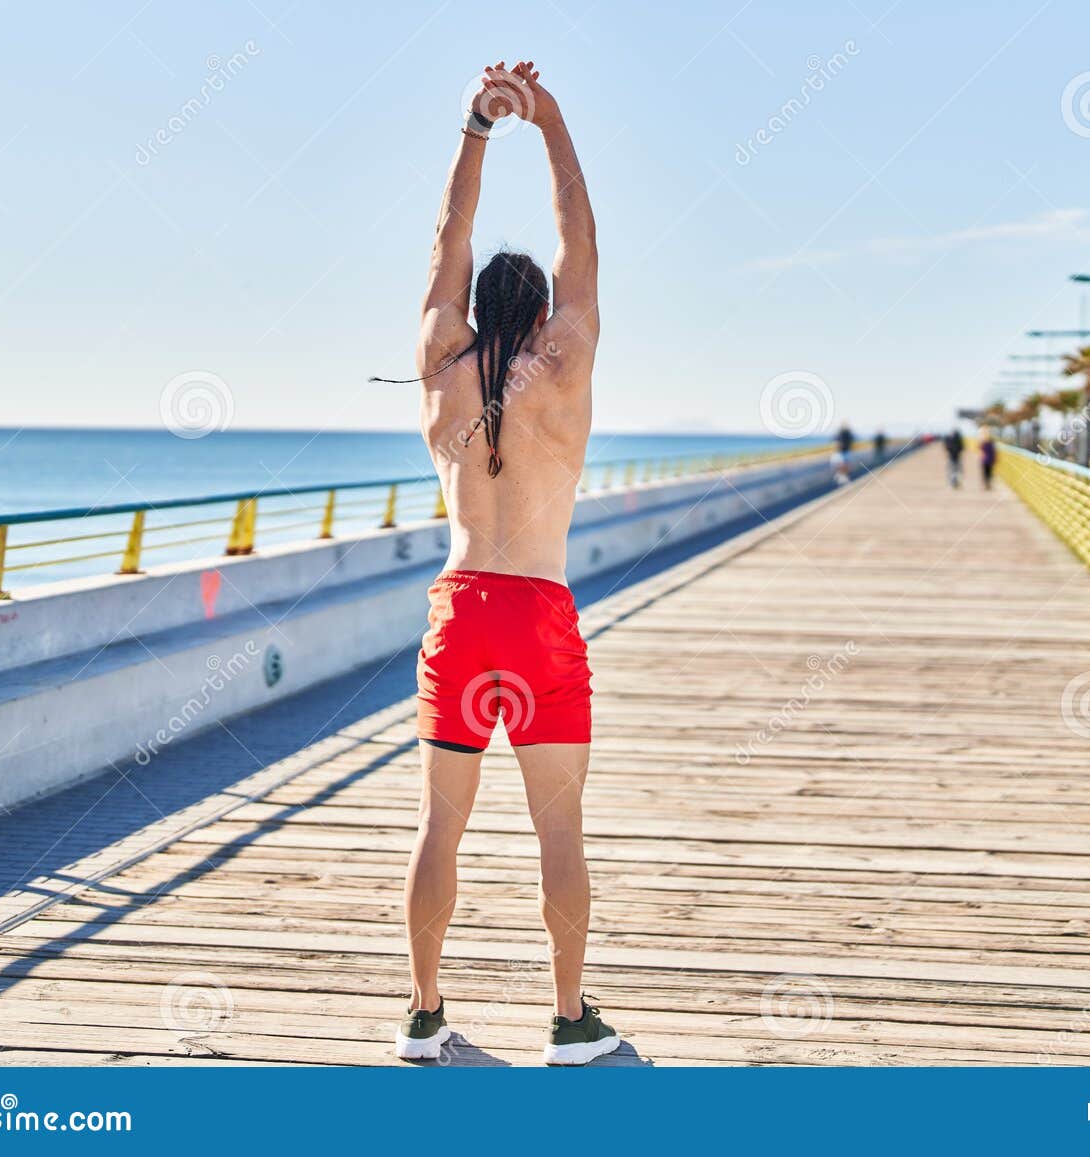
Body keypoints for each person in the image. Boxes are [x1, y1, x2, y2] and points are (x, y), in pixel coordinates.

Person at [392, 62, 618, 1066]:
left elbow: (449, 238)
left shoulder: (441, 366)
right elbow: (583, 240)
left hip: (462, 603)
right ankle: (568, 1019)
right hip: (538, 612)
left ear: (477, 306)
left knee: (440, 821)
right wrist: (552, 121)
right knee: (557, 824)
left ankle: (424, 1011)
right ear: (541, 310)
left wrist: (479, 125)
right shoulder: (564, 358)